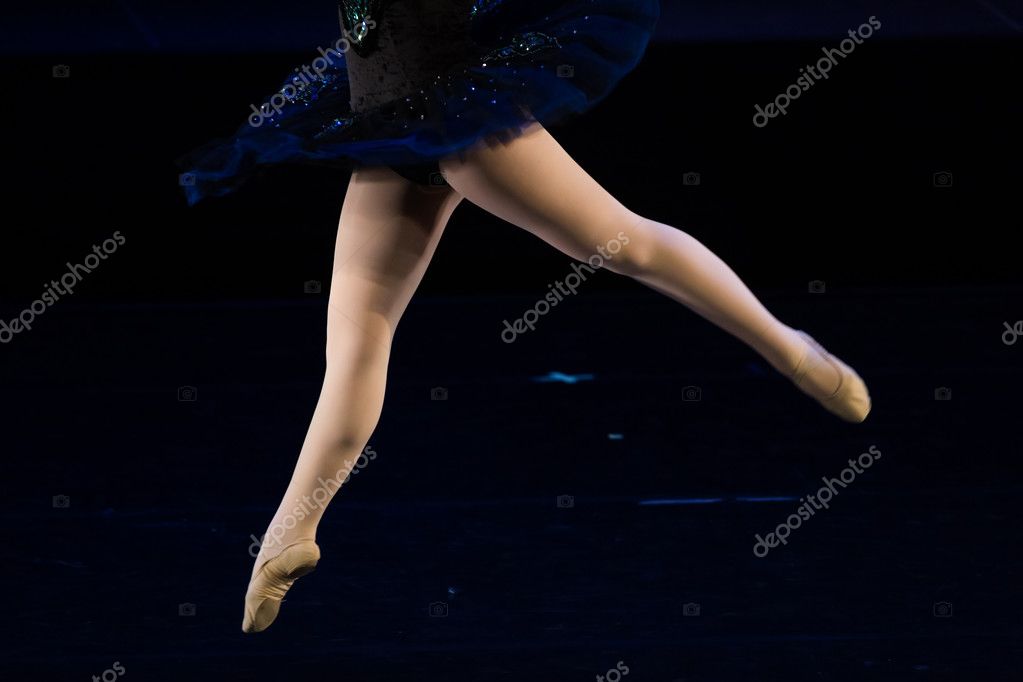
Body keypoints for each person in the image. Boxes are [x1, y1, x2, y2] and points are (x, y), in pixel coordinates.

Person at [176, 0, 871, 633]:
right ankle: (290, 530)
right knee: (364, 335)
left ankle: (789, 348)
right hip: (393, 126)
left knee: (623, 247)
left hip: (452, 113)